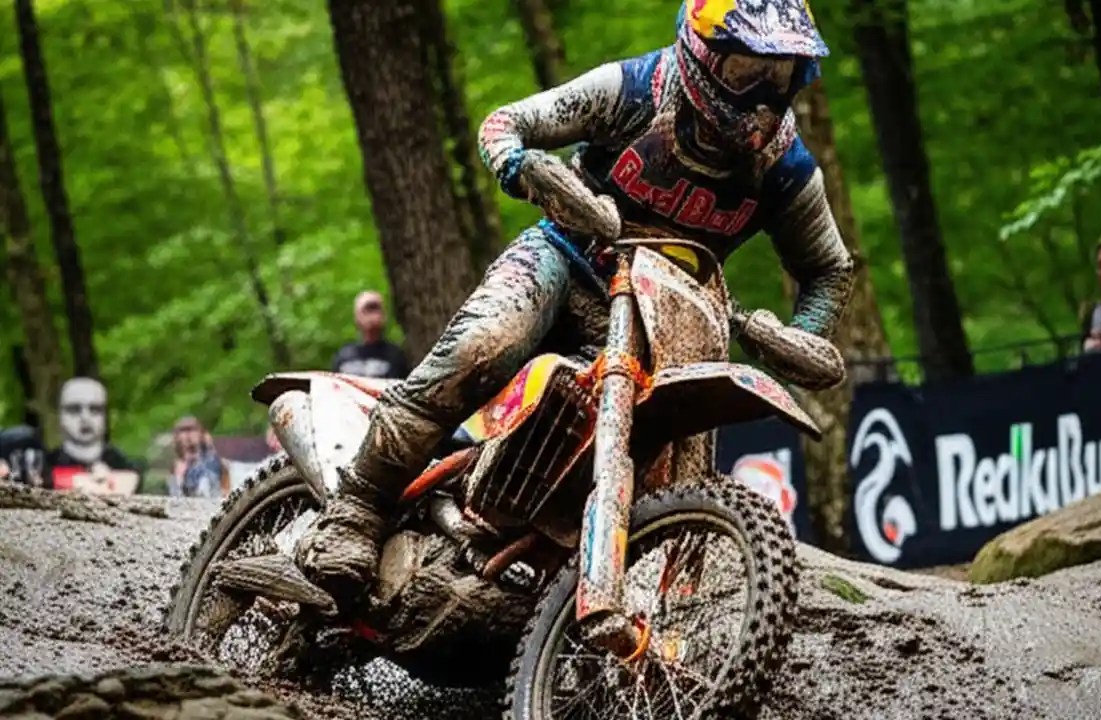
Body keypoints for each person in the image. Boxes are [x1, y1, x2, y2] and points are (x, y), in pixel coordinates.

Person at [295, 0, 857, 608]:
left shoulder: (786, 166)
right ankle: (357, 509)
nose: (762, 96)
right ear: (704, 57)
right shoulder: (634, 90)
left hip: (665, 312)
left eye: (781, 77)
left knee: (675, 449)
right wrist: (526, 169)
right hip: (566, 261)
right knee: (486, 345)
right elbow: (503, 124)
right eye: (747, 72)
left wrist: (800, 330)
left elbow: (829, 268)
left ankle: (630, 605)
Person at [45, 377, 140, 495]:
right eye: (74, 409)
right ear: (59, 416)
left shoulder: (124, 466)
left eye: (95, 409)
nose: (85, 418)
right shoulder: (44, 467)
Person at [330, 290, 411, 380]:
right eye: (368, 310)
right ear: (357, 316)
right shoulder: (344, 356)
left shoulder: (396, 356)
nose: (372, 316)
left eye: (376, 309)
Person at [167, 416, 229, 498]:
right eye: (183, 431)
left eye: (192, 430)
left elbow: (226, 490)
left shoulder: (216, 462)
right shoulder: (176, 467)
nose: (187, 435)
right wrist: (179, 477)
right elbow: (174, 495)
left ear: (202, 434)